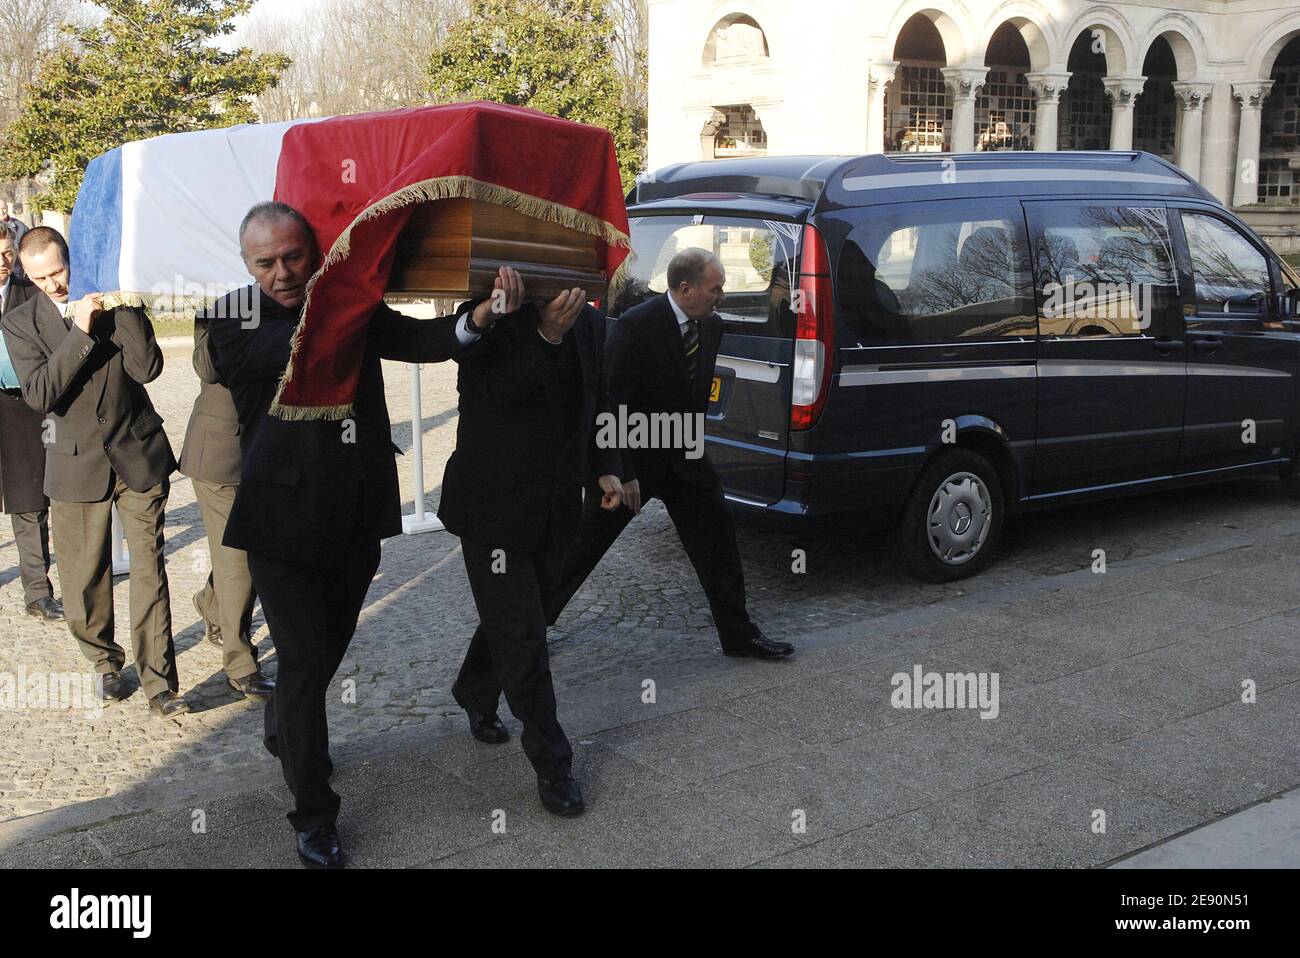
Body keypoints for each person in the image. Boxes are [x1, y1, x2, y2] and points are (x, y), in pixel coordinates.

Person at [210, 201, 486, 869]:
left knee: (324, 653)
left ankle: (283, 724)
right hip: (281, 525)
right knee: (304, 668)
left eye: (294, 258)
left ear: (313, 250)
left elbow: (421, 341)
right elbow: (292, 347)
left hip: (355, 514)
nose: (282, 273)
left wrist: (477, 319)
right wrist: (346, 296)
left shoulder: (348, 301)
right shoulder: (231, 318)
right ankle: (313, 817)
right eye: (265, 262)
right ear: (246, 264)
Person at [547, 248, 793, 660]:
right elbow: (610, 401)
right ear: (685, 289)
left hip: (686, 459)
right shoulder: (635, 326)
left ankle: (739, 636)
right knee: (581, 550)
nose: (722, 295)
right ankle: (532, 629)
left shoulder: (710, 326)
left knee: (718, 544)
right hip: (634, 460)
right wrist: (619, 470)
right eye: (715, 288)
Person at [439, 276, 624, 818]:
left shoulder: (589, 322)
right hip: (493, 510)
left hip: (556, 505)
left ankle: (474, 688)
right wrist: (545, 335)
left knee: (528, 614)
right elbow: (495, 398)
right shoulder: (488, 314)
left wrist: (608, 468)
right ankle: (553, 764)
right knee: (522, 633)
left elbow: (601, 398)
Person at [0, 227, 185, 715]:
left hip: (137, 453)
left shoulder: (114, 299)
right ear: (27, 275)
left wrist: (124, 308)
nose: (53, 285)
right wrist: (80, 332)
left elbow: (147, 369)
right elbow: (40, 394)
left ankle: (159, 683)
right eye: (40, 278)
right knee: (85, 578)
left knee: (150, 571)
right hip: (74, 461)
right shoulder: (20, 322)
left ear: (73, 260)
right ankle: (105, 662)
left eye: (58, 272)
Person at [177, 309, 274, 700]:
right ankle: (240, 664)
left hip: (271, 448)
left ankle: (211, 603)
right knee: (239, 557)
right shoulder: (217, 296)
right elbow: (207, 365)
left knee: (246, 550)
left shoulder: (289, 293)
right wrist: (233, 311)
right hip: (220, 454)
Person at [0, 230, 64, 623]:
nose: (2, 261)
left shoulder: (31, 292)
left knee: (29, 502)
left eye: (7, 253)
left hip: (20, 404)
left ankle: (37, 591)